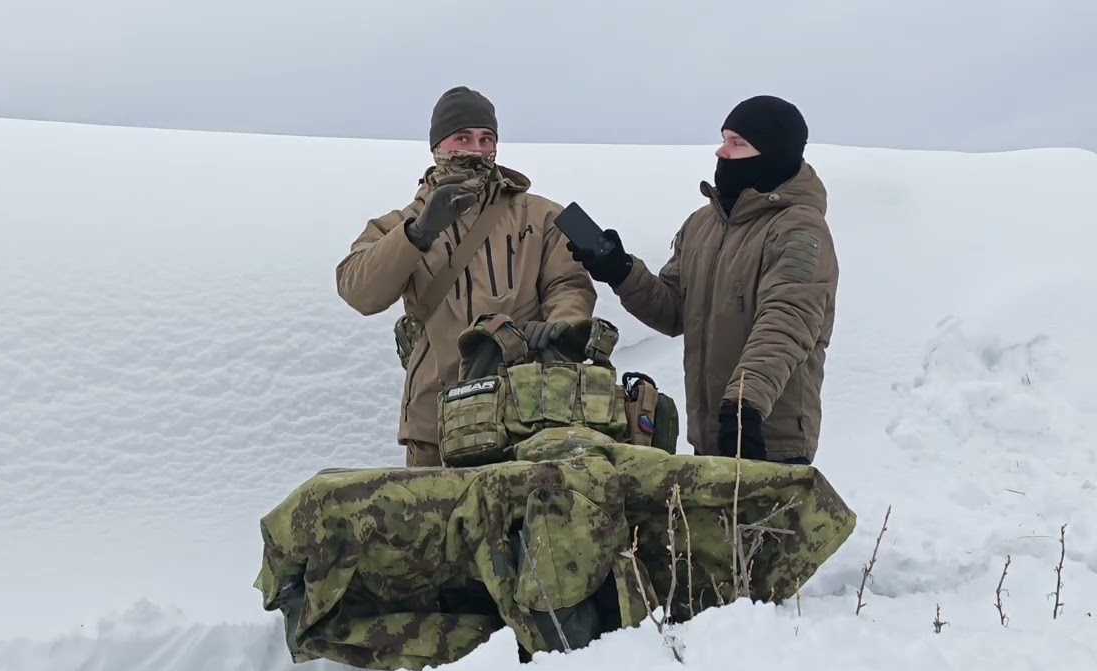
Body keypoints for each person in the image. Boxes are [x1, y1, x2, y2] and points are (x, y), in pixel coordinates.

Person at [567, 95, 839, 465]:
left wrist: (743, 406)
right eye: (724, 139)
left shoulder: (799, 228)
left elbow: (787, 324)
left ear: (772, 153)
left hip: (767, 439)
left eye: (737, 143)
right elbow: (674, 311)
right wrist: (621, 270)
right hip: (711, 437)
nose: (721, 152)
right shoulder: (702, 224)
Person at [335, 86, 597, 467]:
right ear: (437, 146)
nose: (476, 149)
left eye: (486, 138)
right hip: (436, 422)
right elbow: (359, 291)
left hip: (526, 415)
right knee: (435, 528)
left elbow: (569, 285)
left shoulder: (541, 217)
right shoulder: (396, 225)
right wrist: (417, 234)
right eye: (463, 137)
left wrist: (562, 329)